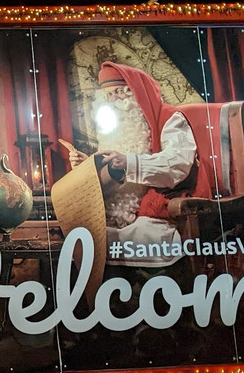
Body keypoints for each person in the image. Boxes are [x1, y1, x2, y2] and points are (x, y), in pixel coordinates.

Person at [64, 60, 196, 267]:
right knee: (82, 236)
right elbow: (112, 171)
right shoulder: (114, 128)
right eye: (109, 96)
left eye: (120, 92)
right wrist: (88, 166)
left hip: (155, 203)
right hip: (115, 211)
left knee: (144, 234)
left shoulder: (170, 119)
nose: (116, 101)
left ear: (136, 94)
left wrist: (128, 162)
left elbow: (178, 164)